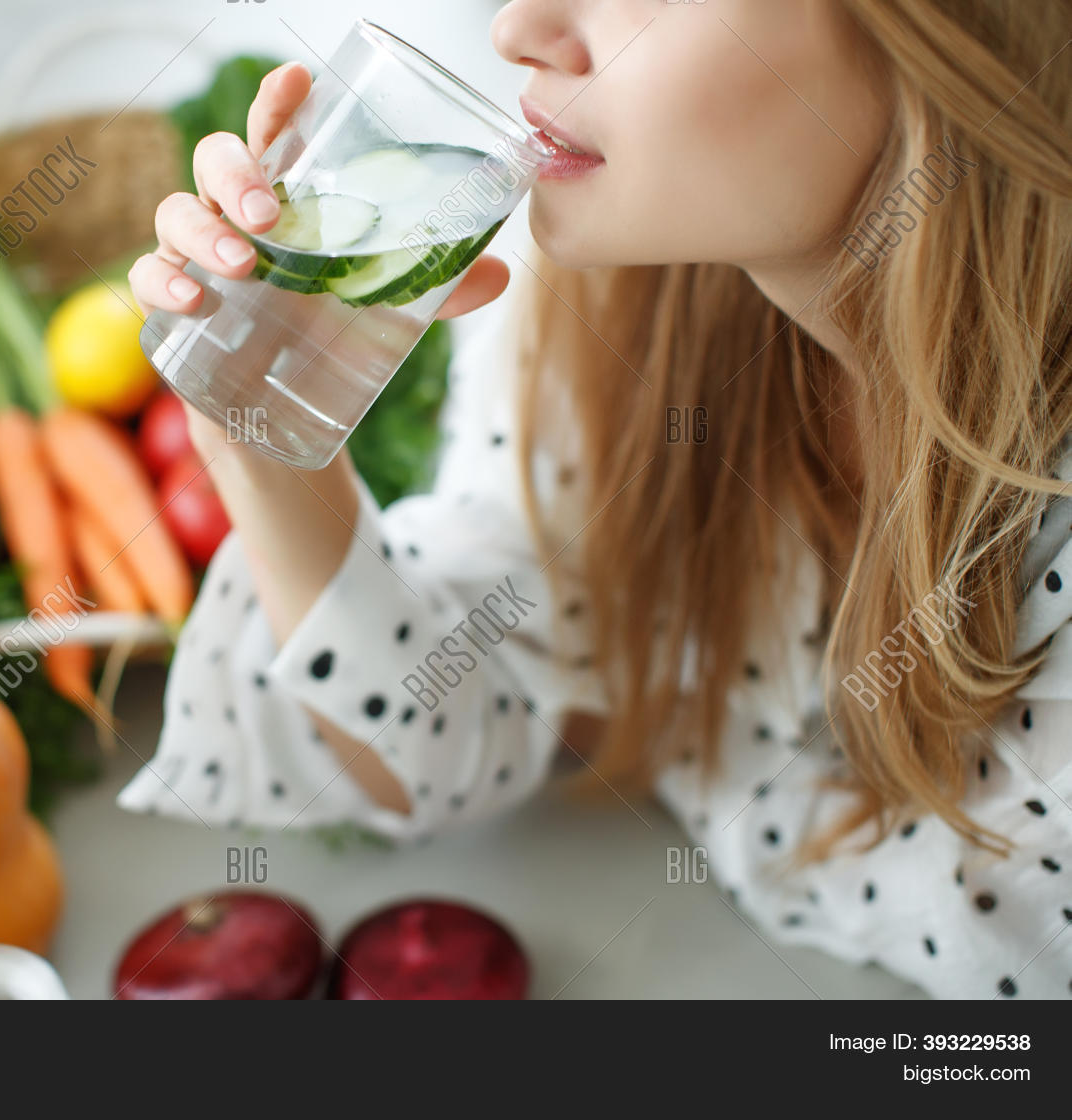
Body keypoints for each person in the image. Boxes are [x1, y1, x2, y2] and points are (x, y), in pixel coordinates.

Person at [121, 0, 1072, 998]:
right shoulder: (622, 321)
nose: (519, 26)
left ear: (958, 41)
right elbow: (441, 725)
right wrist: (256, 426)